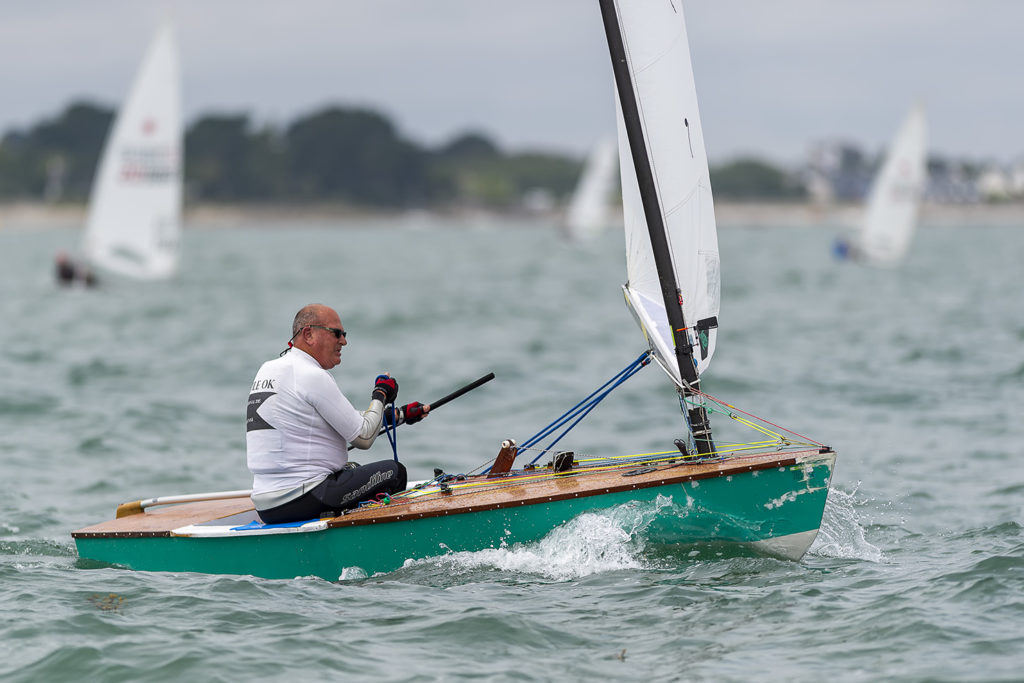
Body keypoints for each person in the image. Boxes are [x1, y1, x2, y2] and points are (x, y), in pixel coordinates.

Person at [246, 303, 429, 524]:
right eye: (337, 333)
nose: (343, 341)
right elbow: (363, 437)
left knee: (353, 470)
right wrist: (381, 393)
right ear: (308, 334)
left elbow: (335, 419)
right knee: (394, 472)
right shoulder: (311, 374)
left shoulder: (269, 369)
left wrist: (397, 415)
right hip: (303, 496)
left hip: (267, 504)